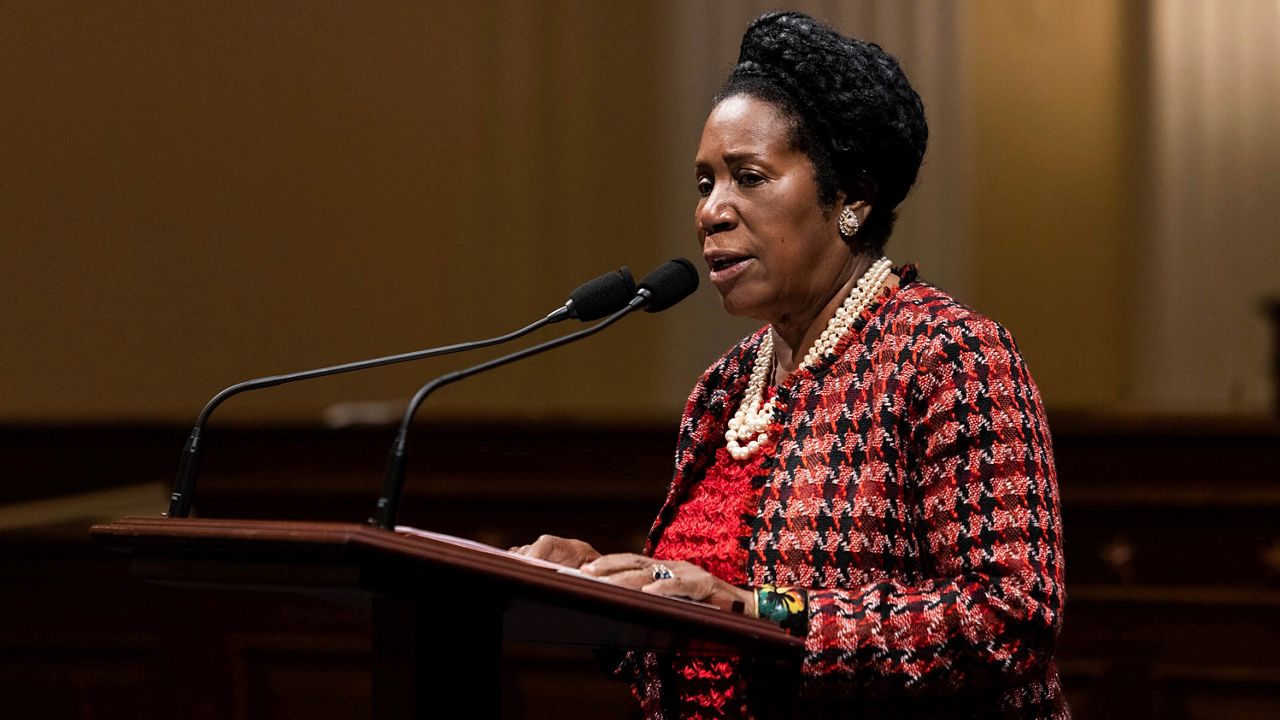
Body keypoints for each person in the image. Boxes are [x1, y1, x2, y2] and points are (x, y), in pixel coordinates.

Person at [514, 11, 1066, 718]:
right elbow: (701, 636)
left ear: (852, 199)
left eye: (749, 177)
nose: (712, 211)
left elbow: (1010, 616)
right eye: (704, 181)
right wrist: (597, 592)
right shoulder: (723, 389)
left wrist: (758, 612)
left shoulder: (947, 356)